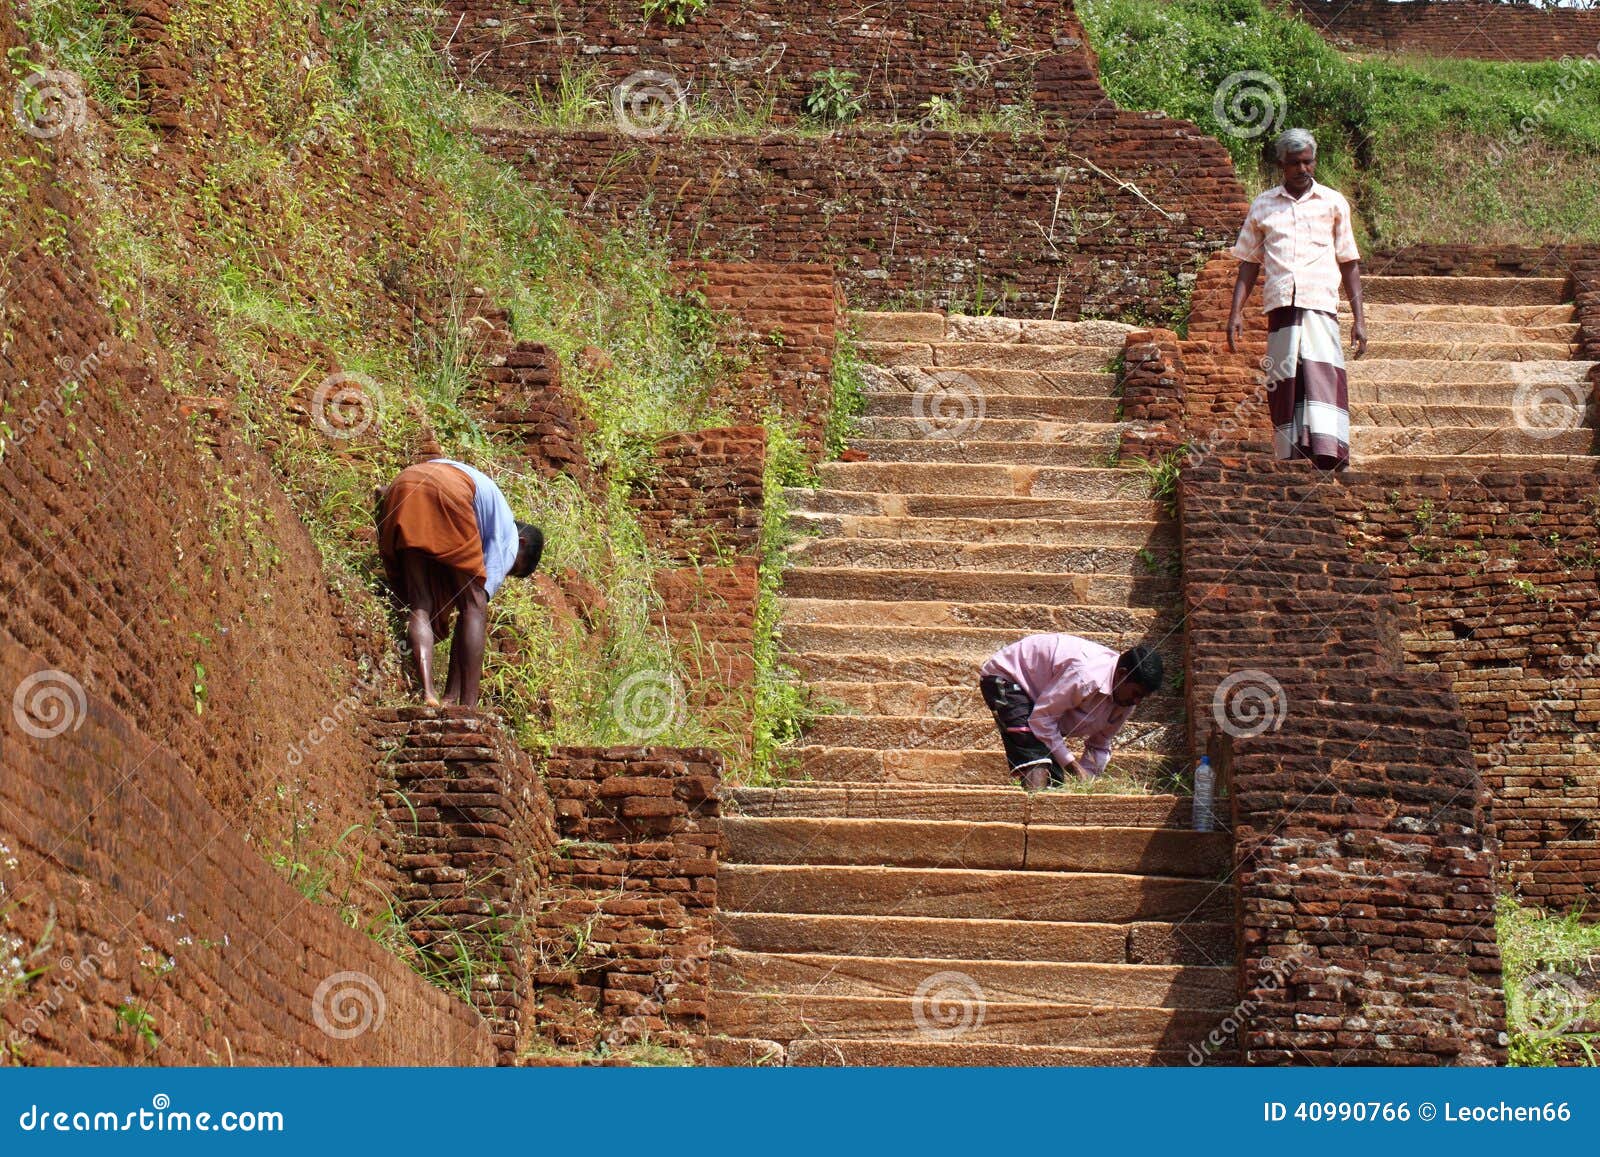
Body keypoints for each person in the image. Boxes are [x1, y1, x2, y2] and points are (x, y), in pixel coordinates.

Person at [1227, 126, 1366, 471]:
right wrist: (1235, 313)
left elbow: (1349, 261)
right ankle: (1290, 458)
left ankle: (1329, 454)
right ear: (1281, 165)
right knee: (1284, 382)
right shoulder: (1264, 205)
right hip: (1281, 307)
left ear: (1314, 161)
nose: (1303, 169)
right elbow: (1248, 263)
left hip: (1320, 305)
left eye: (1308, 161)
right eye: (1295, 163)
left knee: (1322, 376)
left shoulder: (1333, 202)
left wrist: (1359, 319)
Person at [375, 458, 542, 708]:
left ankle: (429, 693)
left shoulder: (488, 513)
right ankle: (469, 706)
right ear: (522, 543)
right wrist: (461, 703)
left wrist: (450, 696)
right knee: (475, 606)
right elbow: (472, 610)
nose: (502, 571)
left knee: (421, 602)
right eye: (511, 569)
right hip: (450, 492)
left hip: (405, 485)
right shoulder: (508, 537)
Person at [978, 635, 1164, 791]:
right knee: (1036, 759)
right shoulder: (1085, 677)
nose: (1137, 702)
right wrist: (1072, 765)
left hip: (1043, 700)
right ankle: (1031, 815)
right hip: (1009, 676)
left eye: (1143, 697)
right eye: (1136, 693)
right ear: (1122, 674)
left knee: (1054, 782)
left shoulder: (1126, 701)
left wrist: (1087, 780)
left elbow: (1100, 744)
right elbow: (1042, 720)